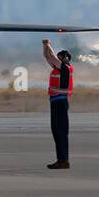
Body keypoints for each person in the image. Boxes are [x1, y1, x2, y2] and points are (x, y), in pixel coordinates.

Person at [42, 39, 73, 169]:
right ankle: (61, 160)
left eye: (60, 58)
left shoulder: (65, 68)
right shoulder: (58, 68)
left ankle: (63, 160)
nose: (57, 60)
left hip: (60, 102)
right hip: (55, 102)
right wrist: (45, 46)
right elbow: (47, 56)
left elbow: (53, 57)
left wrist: (48, 44)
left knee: (60, 132)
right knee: (56, 131)